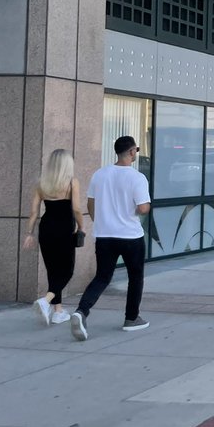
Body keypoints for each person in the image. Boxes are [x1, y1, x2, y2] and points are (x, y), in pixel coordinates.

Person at [69, 136, 152, 341]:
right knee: (135, 276)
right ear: (132, 152)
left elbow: (90, 204)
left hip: (105, 236)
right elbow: (142, 208)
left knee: (102, 277)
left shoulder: (100, 174)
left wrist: (101, 222)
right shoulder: (137, 177)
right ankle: (131, 319)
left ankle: (81, 311)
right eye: (136, 150)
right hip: (131, 236)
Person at [23, 149, 84, 326]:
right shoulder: (72, 183)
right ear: (67, 164)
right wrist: (81, 226)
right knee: (67, 270)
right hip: (65, 230)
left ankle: (58, 312)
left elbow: (34, 212)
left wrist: (29, 233)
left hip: (46, 229)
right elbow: (77, 209)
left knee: (53, 270)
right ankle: (47, 300)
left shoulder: (41, 183)